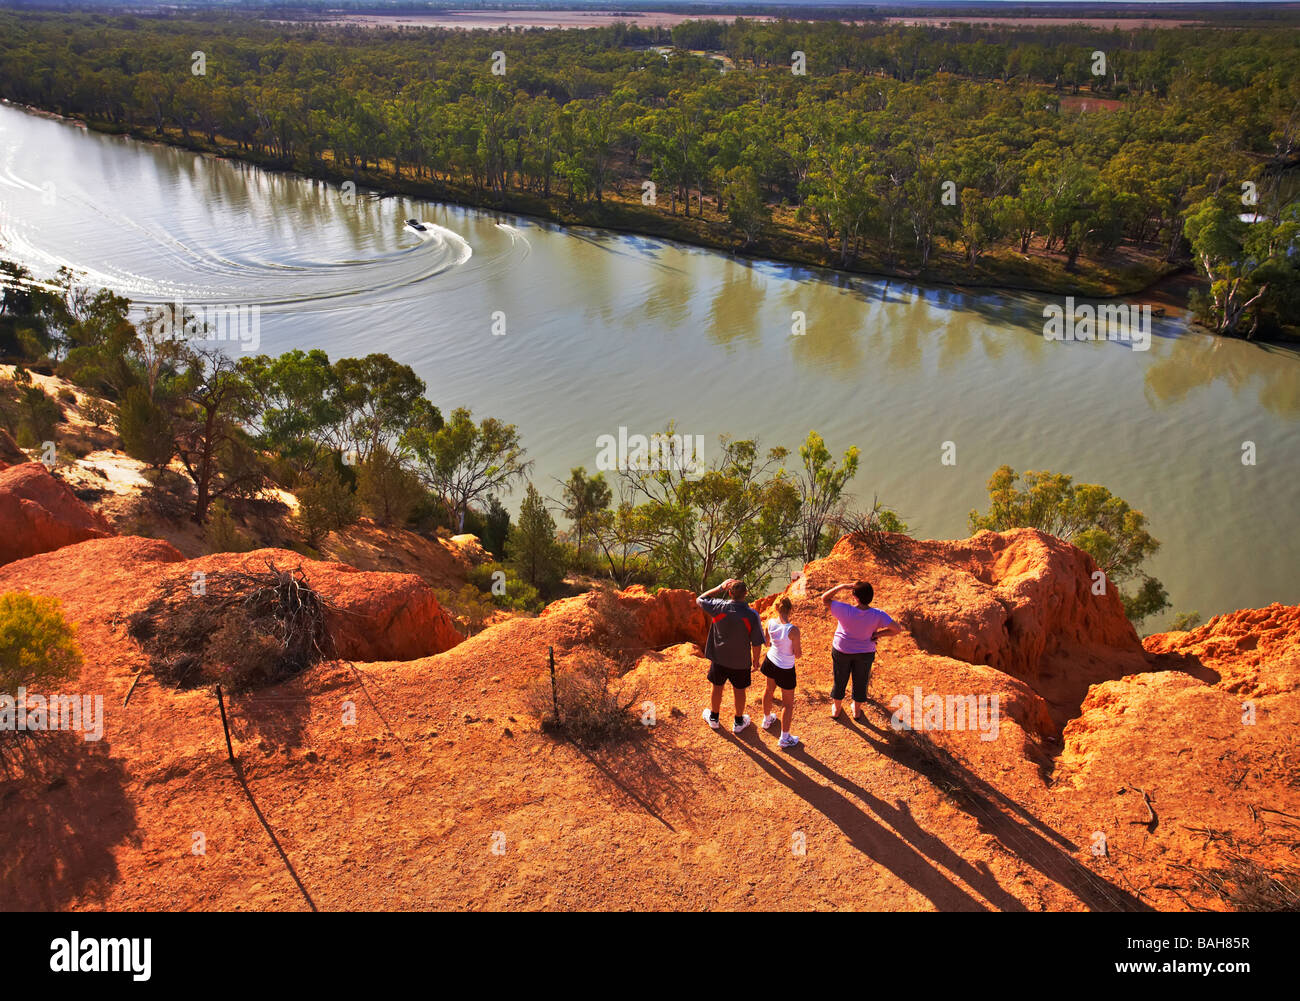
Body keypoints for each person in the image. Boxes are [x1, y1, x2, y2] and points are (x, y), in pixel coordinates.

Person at [820, 580, 902, 721]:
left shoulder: (845, 610)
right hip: (865, 653)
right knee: (861, 680)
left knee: (840, 678)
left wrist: (842, 586)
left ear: (855, 597)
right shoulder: (878, 615)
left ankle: (837, 709)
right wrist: (878, 634)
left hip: (842, 650)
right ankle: (857, 711)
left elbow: (824, 598)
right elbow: (897, 629)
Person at [697, 577, 764, 733]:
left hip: (719, 658)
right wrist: (755, 661)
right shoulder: (752, 615)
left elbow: (700, 599)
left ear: (729, 592)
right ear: (745, 594)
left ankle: (714, 718)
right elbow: (756, 642)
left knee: (717, 687)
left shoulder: (718, 607)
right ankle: (739, 722)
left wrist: (720, 586)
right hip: (741, 662)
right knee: (739, 690)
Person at [761, 596, 802, 749]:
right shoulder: (793, 630)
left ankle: (766, 720)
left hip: (771, 661)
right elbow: (797, 654)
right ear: (790, 610)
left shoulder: (769, 622)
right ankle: (784, 738)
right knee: (788, 705)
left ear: (777, 608)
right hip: (785, 667)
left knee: (768, 690)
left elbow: (767, 643)